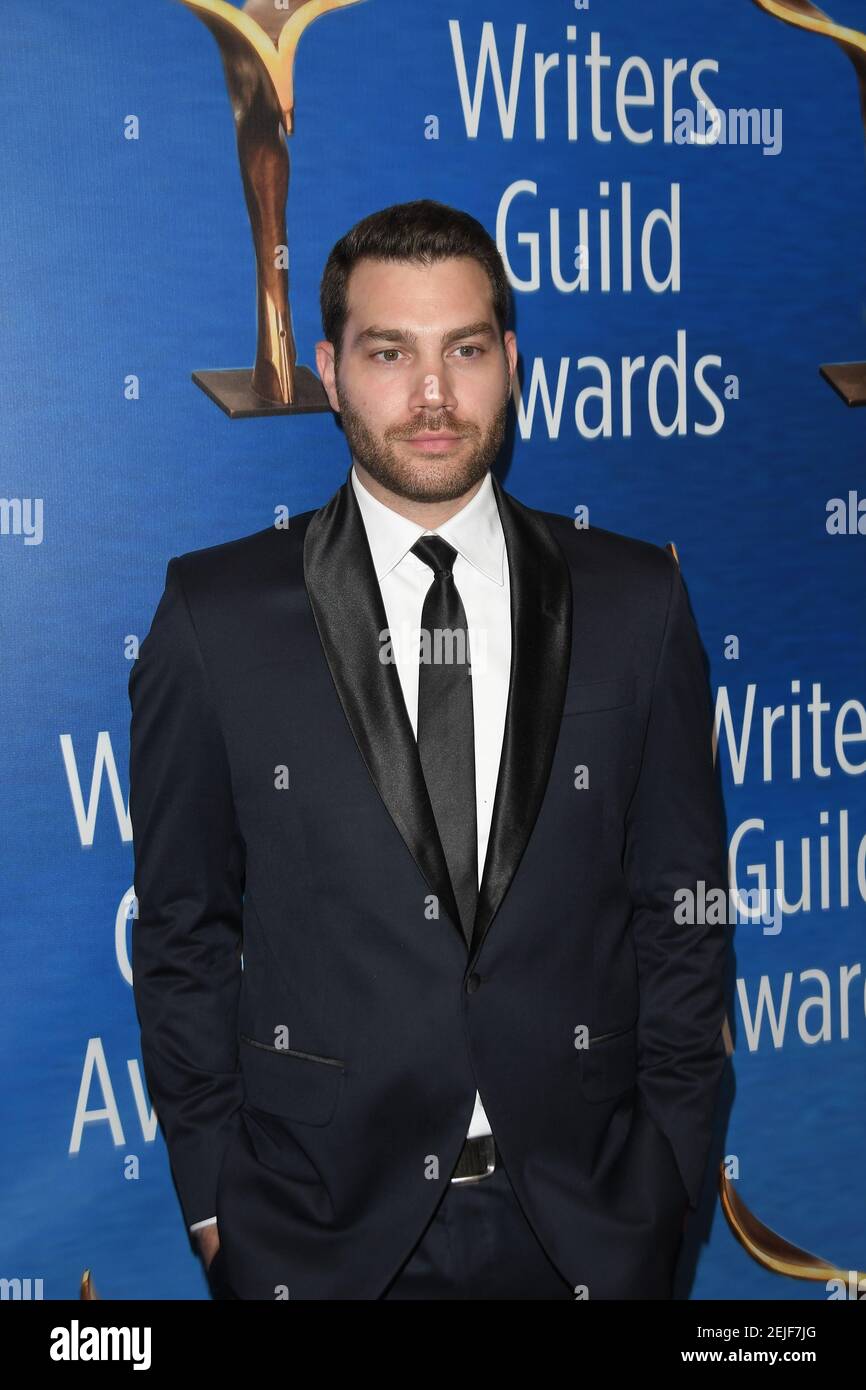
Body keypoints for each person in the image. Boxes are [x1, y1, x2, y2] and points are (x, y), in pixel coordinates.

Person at [128, 198, 729, 1301]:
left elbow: (684, 910)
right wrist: (217, 1206)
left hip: (588, 1232)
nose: (432, 398)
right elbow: (180, 933)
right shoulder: (215, 618)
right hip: (321, 1238)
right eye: (388, 352)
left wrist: (671, 1176)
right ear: (328, 369)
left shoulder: (636, 601)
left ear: (508, 360)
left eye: (463, 349)